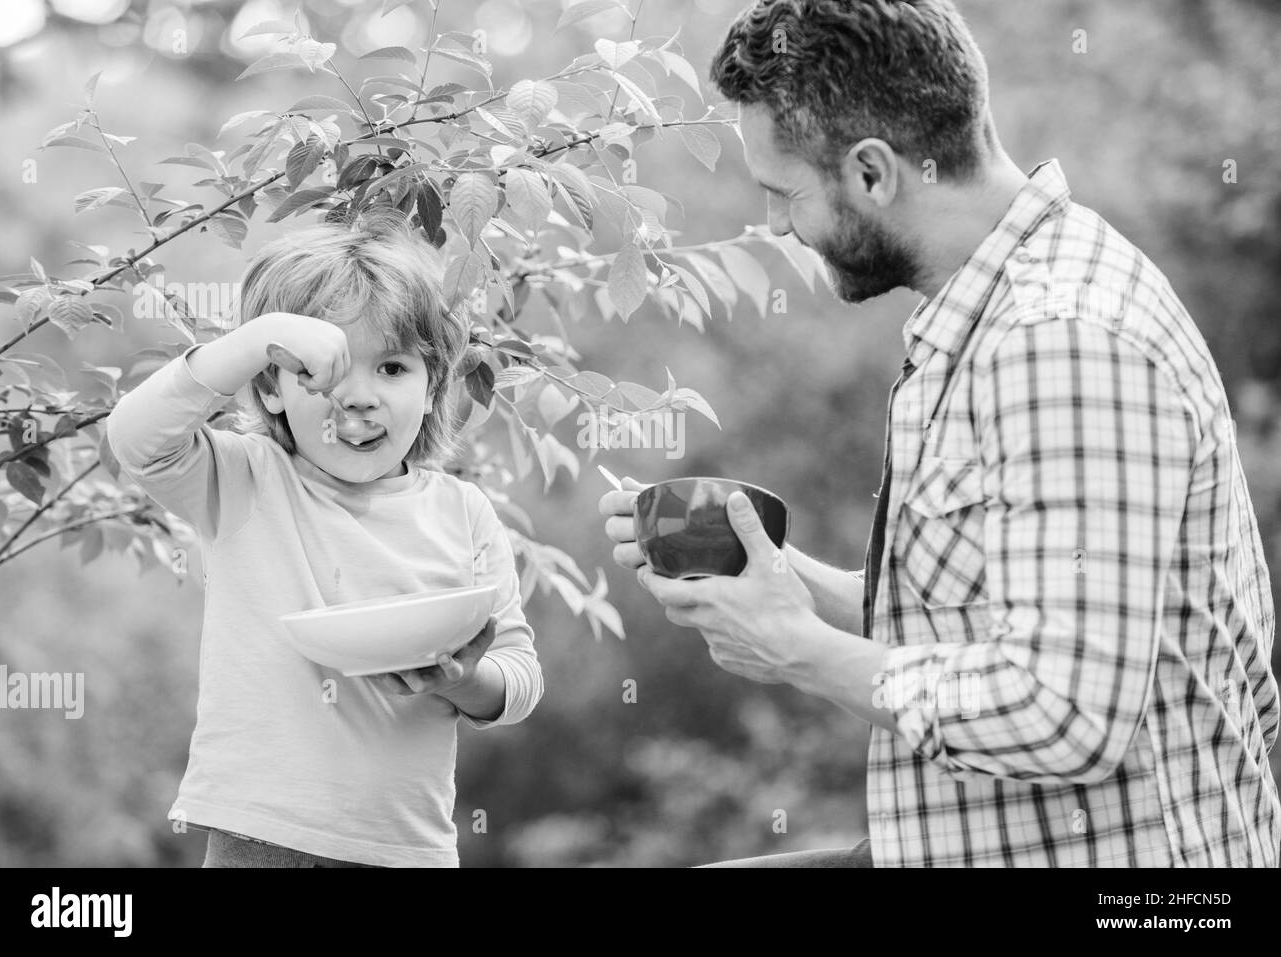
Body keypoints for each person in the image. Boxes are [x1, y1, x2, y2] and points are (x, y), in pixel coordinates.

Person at [600, 0, 1279, 866]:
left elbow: (1061, 711)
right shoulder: (982, 310)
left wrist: (798, 652)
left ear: (873, 173)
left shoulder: (1059, 339)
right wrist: (782, 581)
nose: (775, 226)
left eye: (784, 193)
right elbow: (977, 622)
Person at [106, 210, 543, 867]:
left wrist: (460, 678)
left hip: (408, 850)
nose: (360, 398)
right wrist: (259, 338)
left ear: (432, 390)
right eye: (324, 371)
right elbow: (136, 437)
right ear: (270, 388)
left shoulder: (464, 511)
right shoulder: (244, 480)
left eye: (393, 368)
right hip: (260, 839)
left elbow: (520, 677)